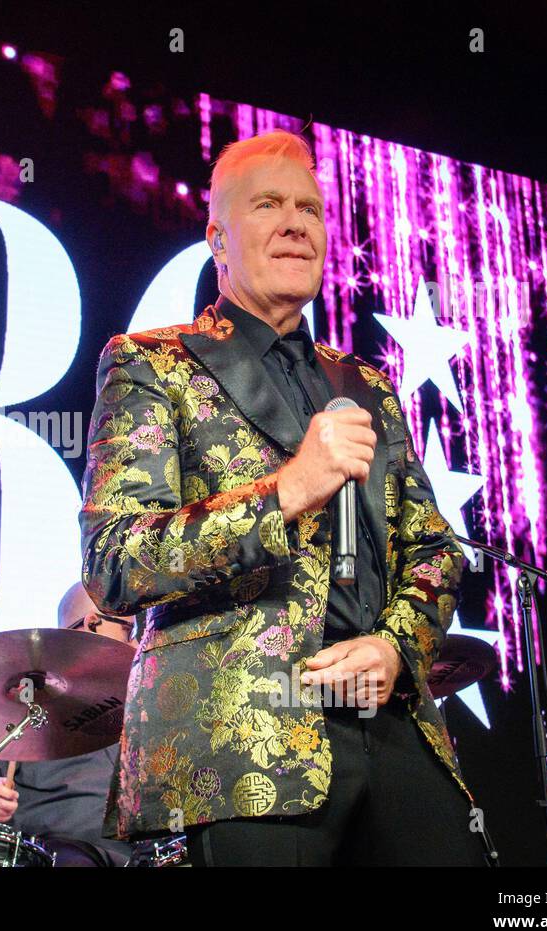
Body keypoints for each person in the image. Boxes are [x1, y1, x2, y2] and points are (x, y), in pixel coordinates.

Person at [79, 130, 490, 866]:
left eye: (311, 208)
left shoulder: (366, 383)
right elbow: (115, 563)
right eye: (267, 204)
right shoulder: (150, 364)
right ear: (218, 239)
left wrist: (394, 649)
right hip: (244, 741)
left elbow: (433, 549)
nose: (297, 222)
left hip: (389, 717)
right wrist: (287, 491)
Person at [0, 583, 135, 866]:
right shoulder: (25, 701)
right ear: (93, 624)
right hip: (62, 853)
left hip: (143, 853)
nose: (138, 643)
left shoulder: (142, 702)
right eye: (130, 630)